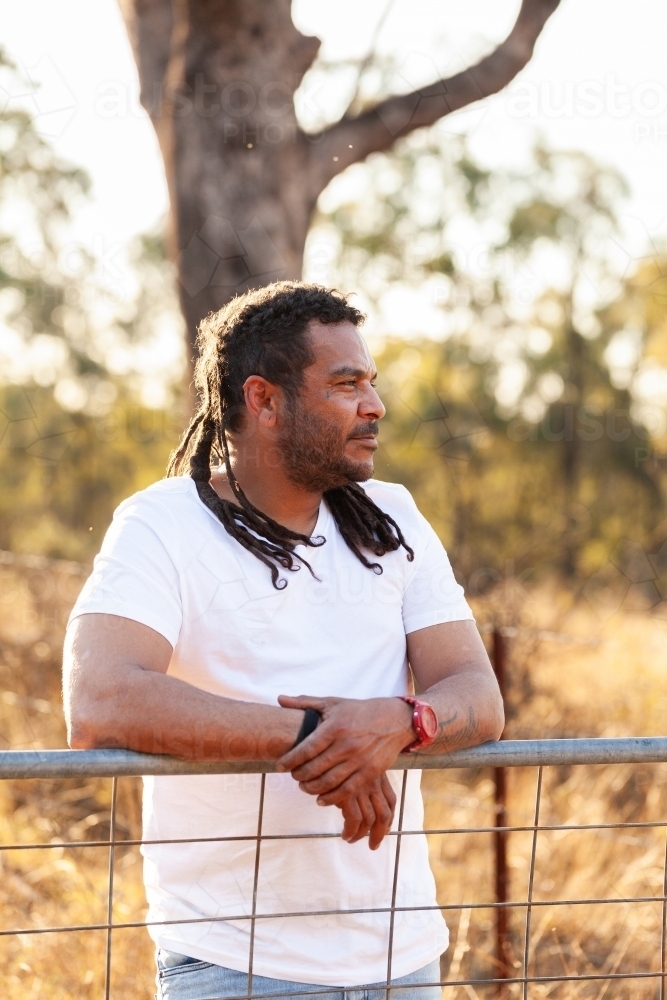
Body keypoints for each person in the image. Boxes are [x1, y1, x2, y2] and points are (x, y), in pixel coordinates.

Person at [63, 281, 504, 1000]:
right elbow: (101, 699)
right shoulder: (162, 523)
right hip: (237, 964)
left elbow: (477, 698)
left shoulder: (391, 518)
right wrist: (320, 736)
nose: (374, 405)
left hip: (404, 958)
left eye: (370, 382)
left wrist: (397, 722)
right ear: (264, 401)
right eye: (345, 384)